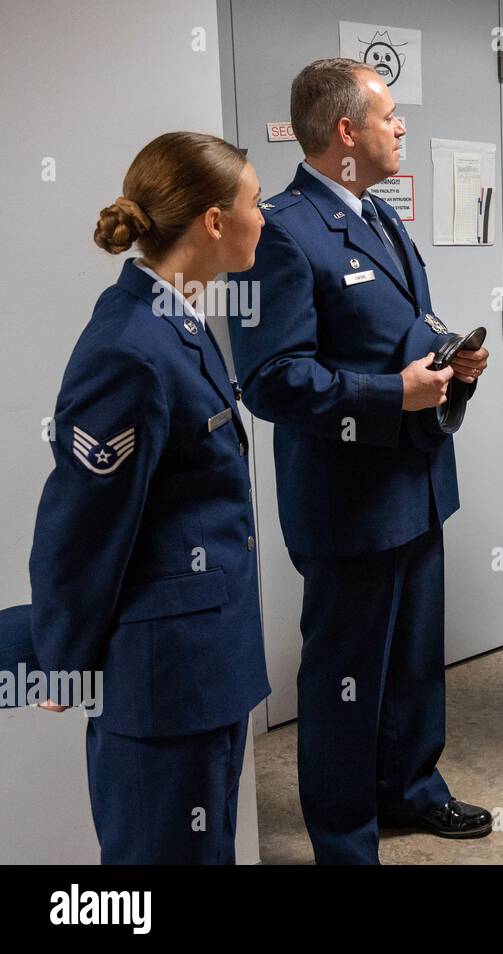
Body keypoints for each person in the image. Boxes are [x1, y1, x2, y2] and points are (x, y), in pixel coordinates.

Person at [228, 58, 491, 864]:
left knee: (415, 662)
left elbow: (395, 327)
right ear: (346, 133)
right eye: (391, 115)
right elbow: (270, 381)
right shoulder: (281, 230)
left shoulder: (378, 215)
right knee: (344, 680)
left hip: (415, 487)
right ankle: (345, 839)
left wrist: (447, 366)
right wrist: (391, 395)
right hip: (349, 504)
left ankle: (412, 791)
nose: (402, 126)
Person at [28, 132, 270, 863]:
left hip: (207, 665)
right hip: (164, 682)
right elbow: (82, 523)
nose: (266, 218)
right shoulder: (129, 345)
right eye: (255, 202)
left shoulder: (179, 317)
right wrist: (62, 657)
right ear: (214, 222)